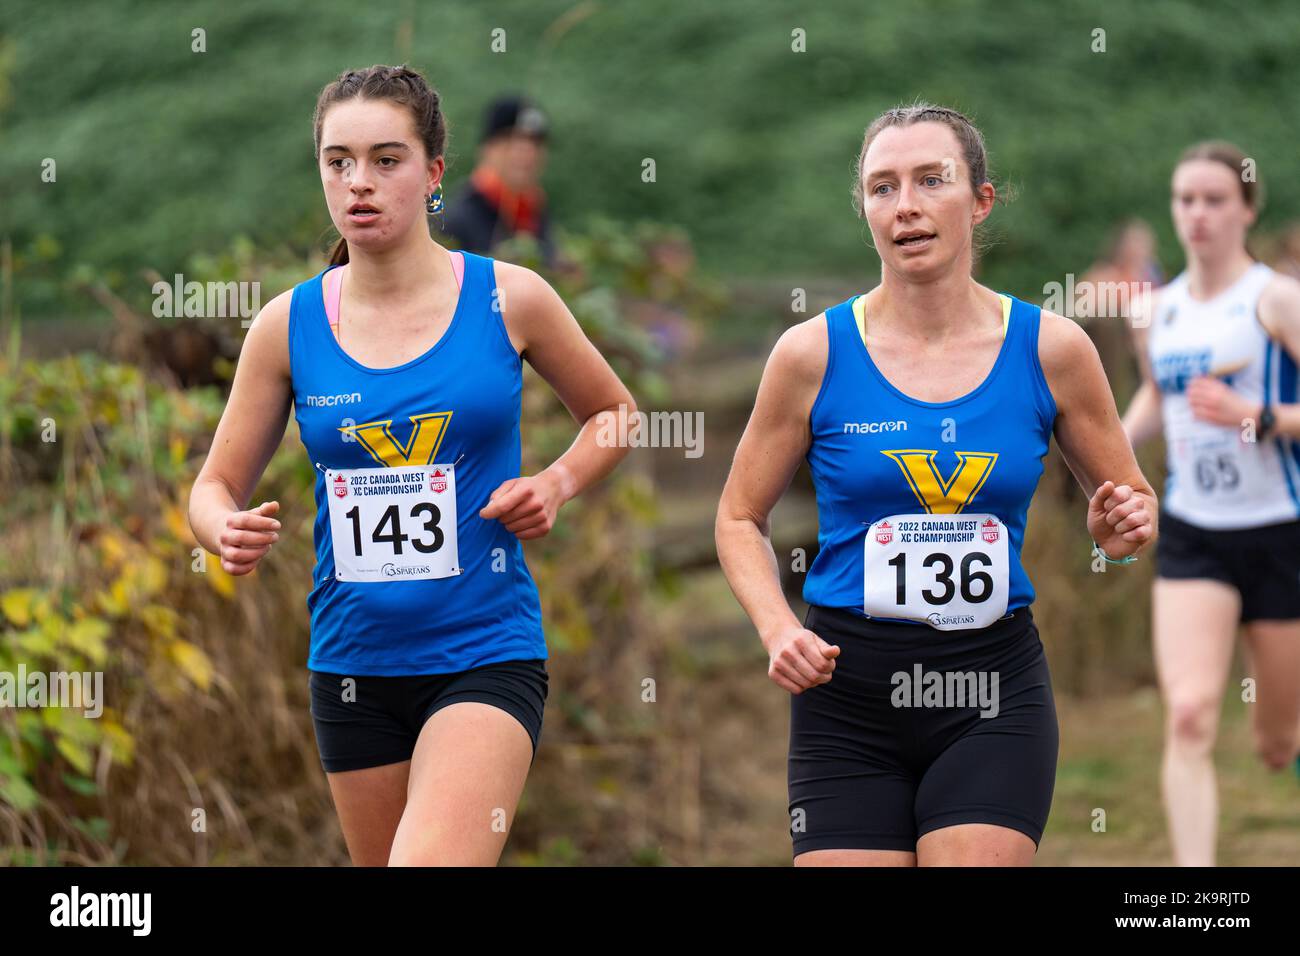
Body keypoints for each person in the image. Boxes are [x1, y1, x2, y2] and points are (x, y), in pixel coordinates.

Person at [187, 65, 636, 866]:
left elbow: (615, 413)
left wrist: (556, 483)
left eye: (387, 159)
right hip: (352, 670)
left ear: (433, 173)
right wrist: (224, 529)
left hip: (484, 653)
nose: (360, 182)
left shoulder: (511, 297)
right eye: (339, 161)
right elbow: (214, 487)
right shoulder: (286, 326)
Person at [715, 103, 1156, 866]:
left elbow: (1129, 505)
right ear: (866, 212)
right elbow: (738, 518)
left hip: (990, 691)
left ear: (979, 200)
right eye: (882, 188)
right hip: (846, 697)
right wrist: (777, 627)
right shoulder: (809, 355)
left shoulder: (1053, 349)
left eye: (931, 180)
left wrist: (1119, 536)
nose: (906, 205)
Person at [1121, 140, 1300, 866]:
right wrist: (1098, 447)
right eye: (1185, 199)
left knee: (1277, 739)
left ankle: (1281, 739)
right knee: (1189, 716)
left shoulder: (1277, 298)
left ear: (1246, 210)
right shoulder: (1155, 311)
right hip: (1194, 531)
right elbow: (1158, 398)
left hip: (1282, 533)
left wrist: (1257, 414)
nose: (1197, 213)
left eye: (1215, 199)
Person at [439, 94, 556, 264]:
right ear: (486, 148)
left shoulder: (536, 212)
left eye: (535, 143)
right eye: (511, 140)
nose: (525, 153)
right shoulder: (457, 219)